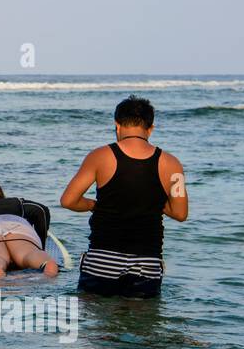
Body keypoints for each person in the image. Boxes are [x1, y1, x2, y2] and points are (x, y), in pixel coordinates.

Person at [60, 95, 189, 298]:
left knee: (99, 326)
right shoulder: (172, 164)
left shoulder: (100, 156)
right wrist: (150, 197)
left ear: (117, 125)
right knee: (142, 327)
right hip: (147, 263)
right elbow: (180, 213)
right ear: (151, 128)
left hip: (103, 259)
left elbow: (68, 200)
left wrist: (93, 205)